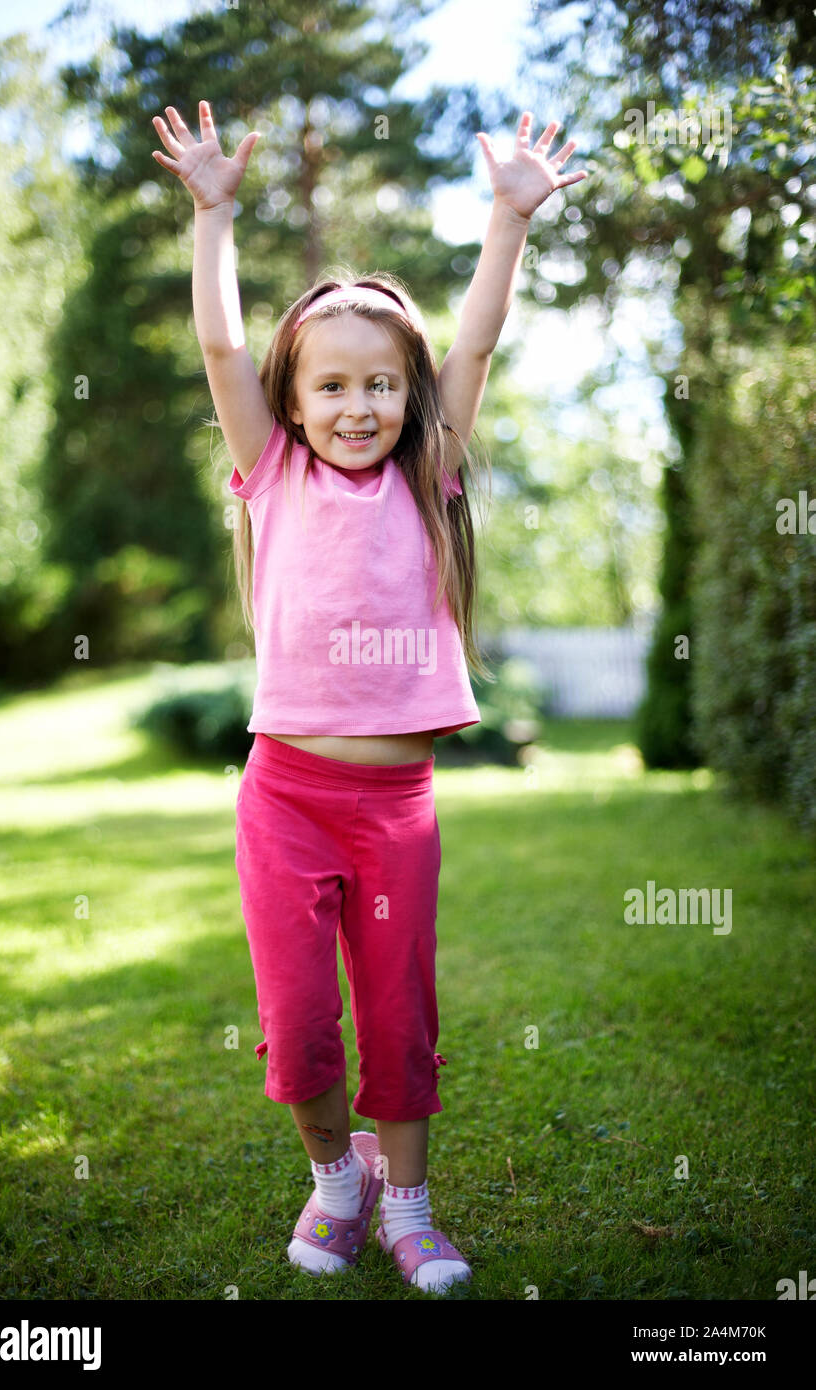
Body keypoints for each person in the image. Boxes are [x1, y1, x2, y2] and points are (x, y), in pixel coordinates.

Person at [152, 100, 586, 1293]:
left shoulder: (427, 474)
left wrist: (507, 221)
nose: (356, 406)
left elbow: (481, 346)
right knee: (299, 1030)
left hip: (396, 805)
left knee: (396, 1022)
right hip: (284, 796)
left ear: (408, 397)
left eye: (380, 386)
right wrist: (214, 217)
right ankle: (333, 1180)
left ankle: (407, 1204)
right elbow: (223, 350)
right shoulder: (272, 474)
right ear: (294, 403)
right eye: (332, 386)